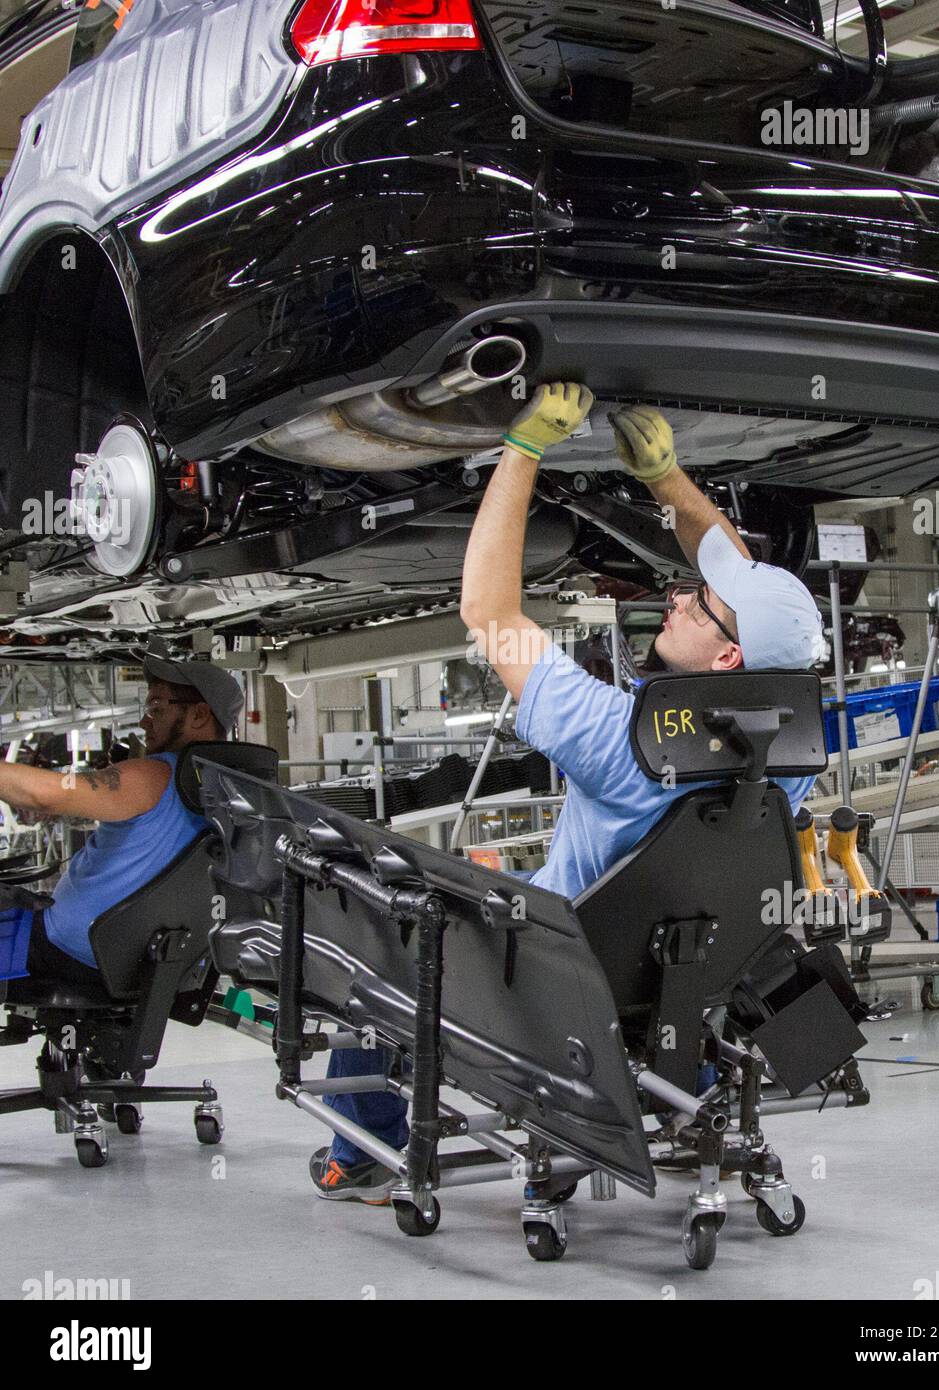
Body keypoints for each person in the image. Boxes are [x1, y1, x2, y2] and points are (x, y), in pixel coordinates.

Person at [309, 383, 827, 1202]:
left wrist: (520, 450)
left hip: (540, 968)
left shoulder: (620, 737)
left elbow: (487, 609)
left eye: (702, 603)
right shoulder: (792, 758)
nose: (681, 591)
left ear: (727, 659)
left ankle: (364, 1145)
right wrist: (667, 480)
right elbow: (737, 586)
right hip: (670, 980)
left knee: (380, 925)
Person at [0, 639, 242, 987]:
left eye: (157, 708)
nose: (144, 721)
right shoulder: (230, 788)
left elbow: (45, 796)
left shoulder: (155, 775)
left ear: (200, 714)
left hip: (61, 950)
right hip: (140, 960)